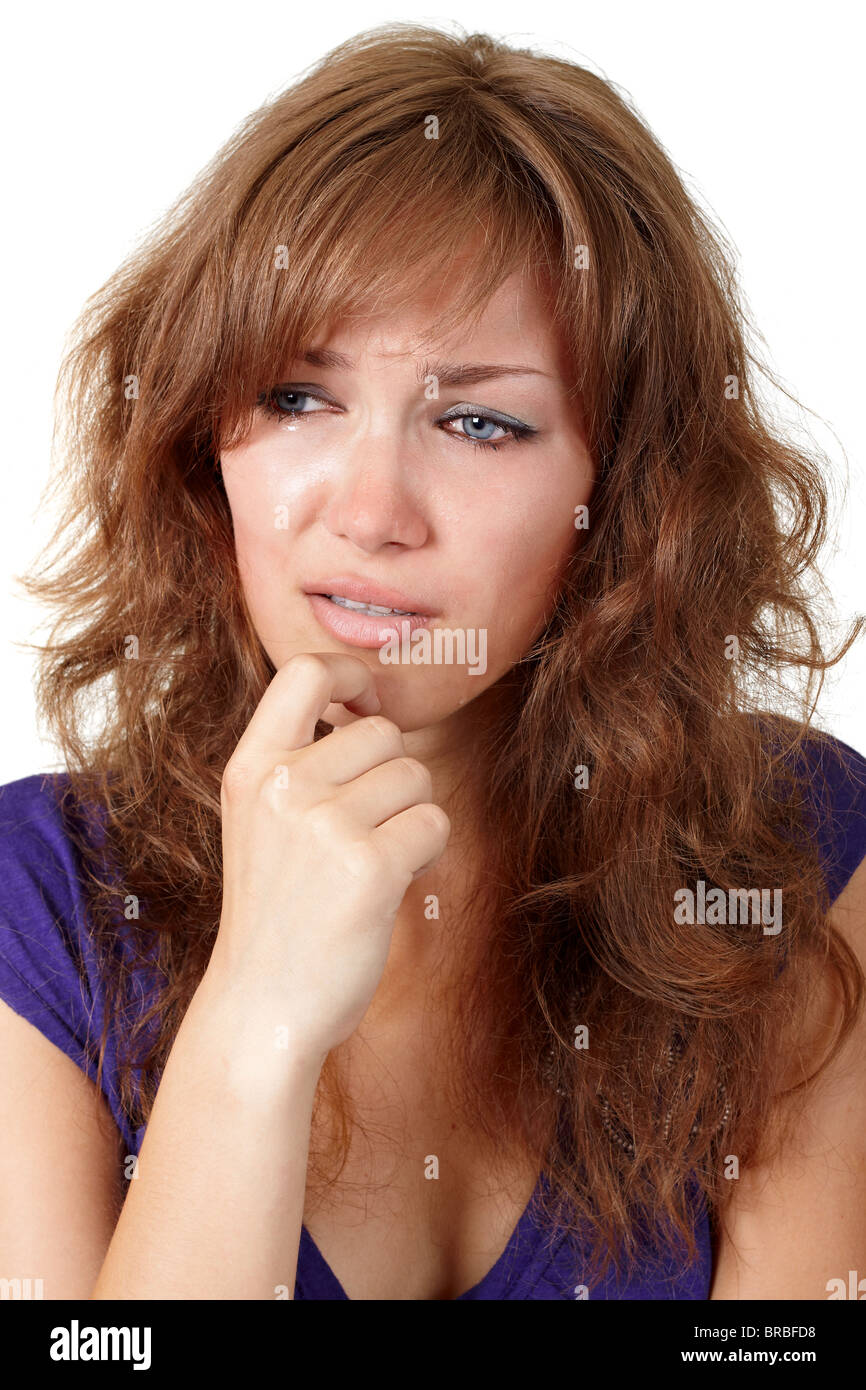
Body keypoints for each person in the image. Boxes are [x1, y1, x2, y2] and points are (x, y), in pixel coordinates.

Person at [1, 22, 865, 1301]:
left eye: (479, 421)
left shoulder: (782, 849)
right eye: (299, 397)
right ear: (203, 440)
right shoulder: (49, 900)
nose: (370, 510)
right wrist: (253, 1018)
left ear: (620, 495)